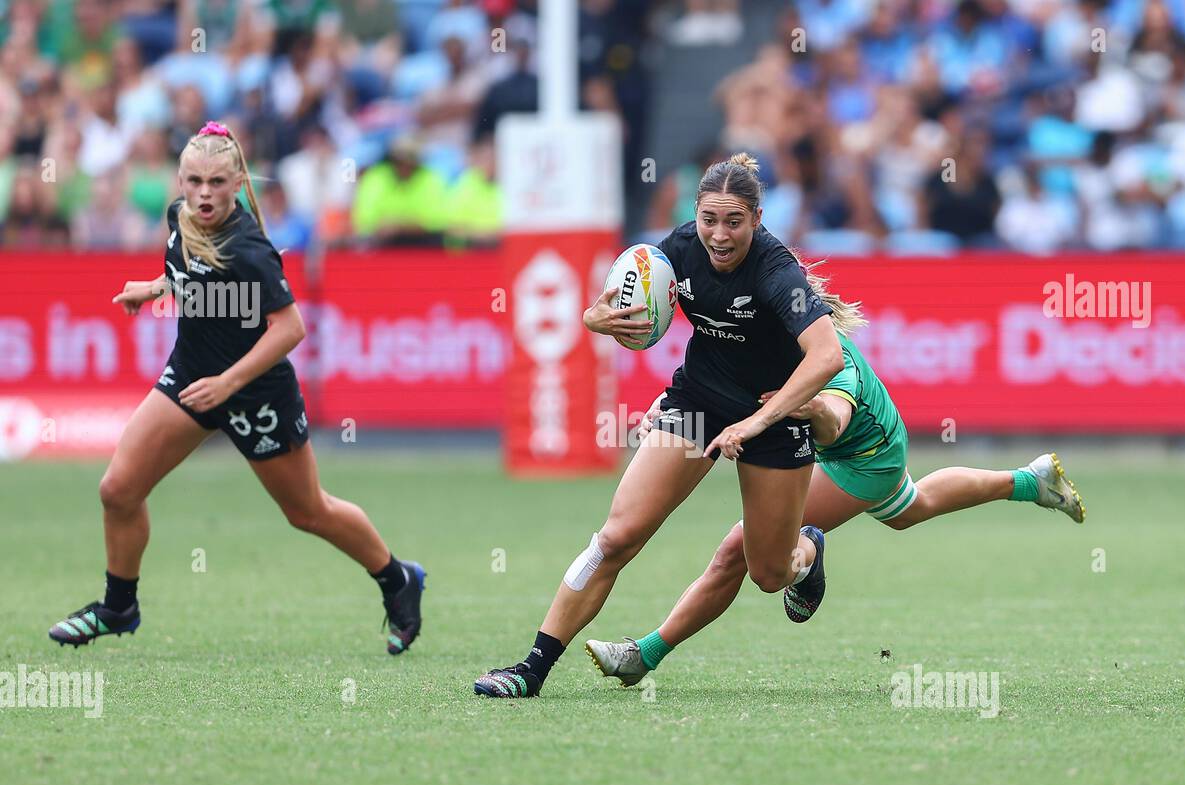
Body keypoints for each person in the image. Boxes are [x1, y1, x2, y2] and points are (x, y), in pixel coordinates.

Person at [473, 152, 848, 699]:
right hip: (697, 404)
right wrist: (592, 318)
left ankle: (806, 550)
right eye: (709, 220)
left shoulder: (777, 271)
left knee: (769, 573)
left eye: (734, 223)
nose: (719, 236)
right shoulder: (674, 252)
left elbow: (827, 356)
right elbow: (613, 306)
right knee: (617, 537)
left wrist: (758, 420)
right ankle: (530, 669)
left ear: (758, 219)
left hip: (775, 415)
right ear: (694, 215)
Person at [47, 121, 426, 654]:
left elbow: (290, 327)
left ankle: (397, 579)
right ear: (179, 179)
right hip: (192, 378)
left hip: (255, 394)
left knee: (308, 512)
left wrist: (229, 383)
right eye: (195, 181)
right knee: (118, 490)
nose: (205, 193)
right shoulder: (178, 217)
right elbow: (193, 275)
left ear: (238, 181)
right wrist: (155, 286)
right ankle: (118, 607)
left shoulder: (249, 246)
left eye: (218, 183)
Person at [585, 307, 1086, 687]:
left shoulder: (830, 361)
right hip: (857, 442)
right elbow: (705, 385)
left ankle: (646, 653)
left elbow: (833, 419)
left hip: (864, 455)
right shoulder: (768, 340)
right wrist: (665, 407)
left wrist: (810, 410)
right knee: (911, 509)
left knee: (737, 550)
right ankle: (1031, 481)